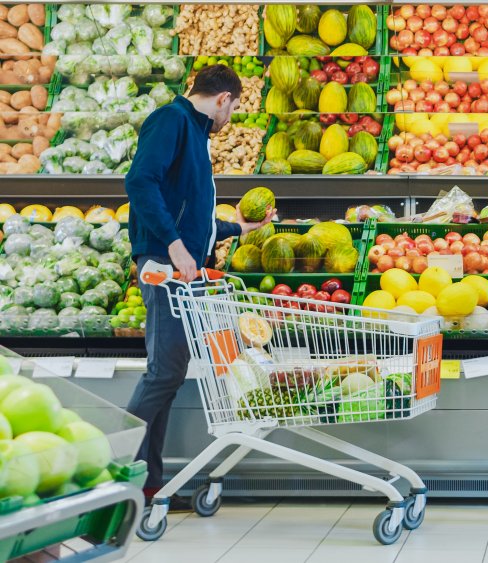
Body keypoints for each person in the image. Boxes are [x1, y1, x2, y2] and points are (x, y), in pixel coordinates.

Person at [124, 65, 276, 507]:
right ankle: (103, 466)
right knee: (164, 373)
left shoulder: (194, 133)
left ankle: (147, 481)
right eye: (235, 107)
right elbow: (139, 182)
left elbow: (193, 217)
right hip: (164, 268)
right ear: (225, 98)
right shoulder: (171, 121)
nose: (231, 117)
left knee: (167, 377)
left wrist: (239, 228)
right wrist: (172, 245)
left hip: (182, 269)